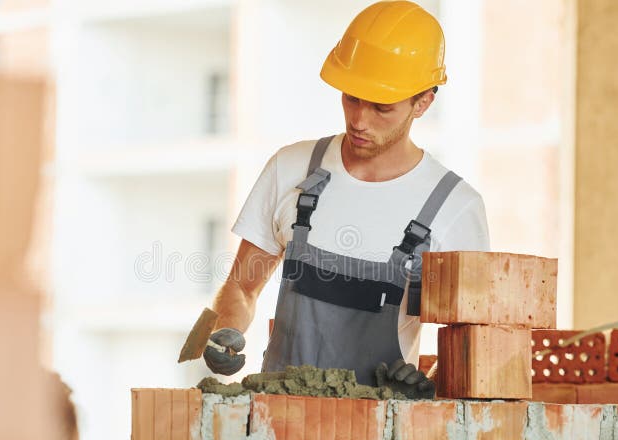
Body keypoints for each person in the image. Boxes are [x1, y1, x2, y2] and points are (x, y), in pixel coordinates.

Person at [203, 1, 489, 397]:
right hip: (277, 428)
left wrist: (431, 384)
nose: (359, 120)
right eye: (352, 98)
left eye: (381, 108)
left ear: (423, 102)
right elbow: (242, 287)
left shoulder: (454, 207)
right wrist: (225, 331)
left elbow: (472, 339)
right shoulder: (292, 169)